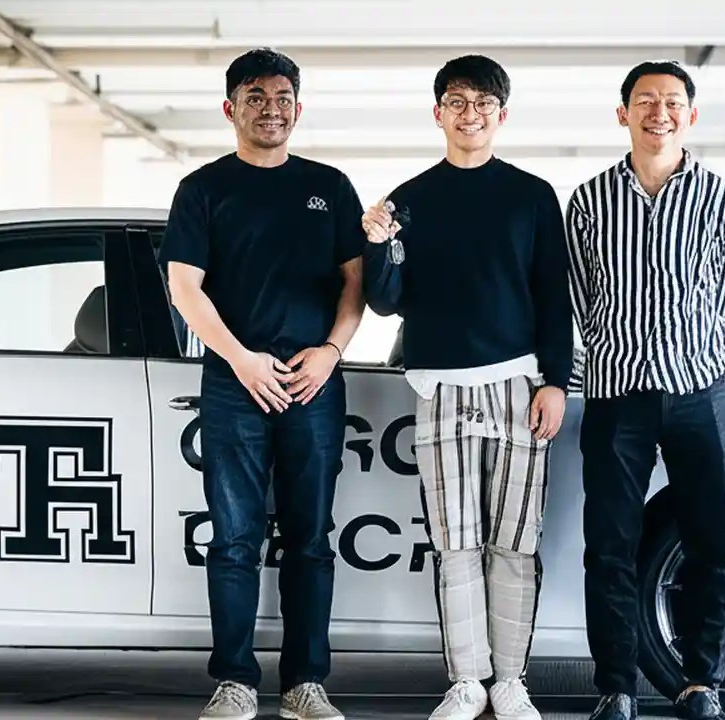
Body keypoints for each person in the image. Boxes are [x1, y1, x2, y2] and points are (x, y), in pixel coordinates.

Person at [361, 54, 574, 720]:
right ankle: (467, 681)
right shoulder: (410, 199)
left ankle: (511, 681)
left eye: (484, 102)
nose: (470, 113)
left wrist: (557, 383)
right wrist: (378, 245)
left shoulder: (533, 195)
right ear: (438, 114)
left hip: (518, 382)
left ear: (501, 115)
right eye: (457, 101)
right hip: (440, 388)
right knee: (454, 541)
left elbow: (554, 296)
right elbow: (386, 301)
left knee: (514, 541)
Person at [160, 47, 367, 720]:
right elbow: (185, 288)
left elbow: (354, 284)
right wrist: (243, 359)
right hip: (234, 384)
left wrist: (332, 352)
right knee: (234, 537)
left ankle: (307, 685)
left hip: (312, 384)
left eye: (282, 97)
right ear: (230, 109)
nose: (270, 108)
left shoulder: (330, 187)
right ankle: (236, 683)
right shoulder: (203, 189)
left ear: (298, 109)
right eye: (255, 97)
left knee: (311, 537)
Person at [564, 60, 725, 720]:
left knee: (713, 543)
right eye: (645, 100)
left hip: (701, 393)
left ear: (690, 115)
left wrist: (694, 360)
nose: (659, 111)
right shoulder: (589, 200)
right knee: (609, 547)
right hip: (616, 394)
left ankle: (703, 683)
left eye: (672, 101)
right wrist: (604, 359)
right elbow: (578, 299)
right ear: (624, 114)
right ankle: (616, 688)